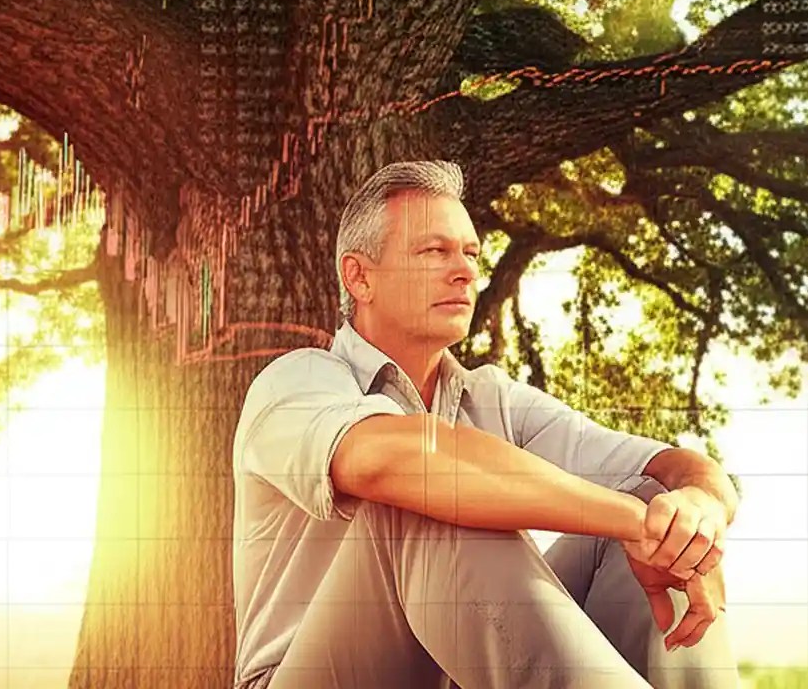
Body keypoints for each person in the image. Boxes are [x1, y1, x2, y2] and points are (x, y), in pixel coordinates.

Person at [231, 160, 741, 688]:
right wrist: (636, 522)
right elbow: (400, 461)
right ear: (358, 276)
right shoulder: (295, 383)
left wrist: (694, 516)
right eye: (434, 251)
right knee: (431, 497)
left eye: (471, 253)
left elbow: (681, 469)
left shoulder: (492, 396)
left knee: (664, 509)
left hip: (461, 671)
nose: (466, 272)